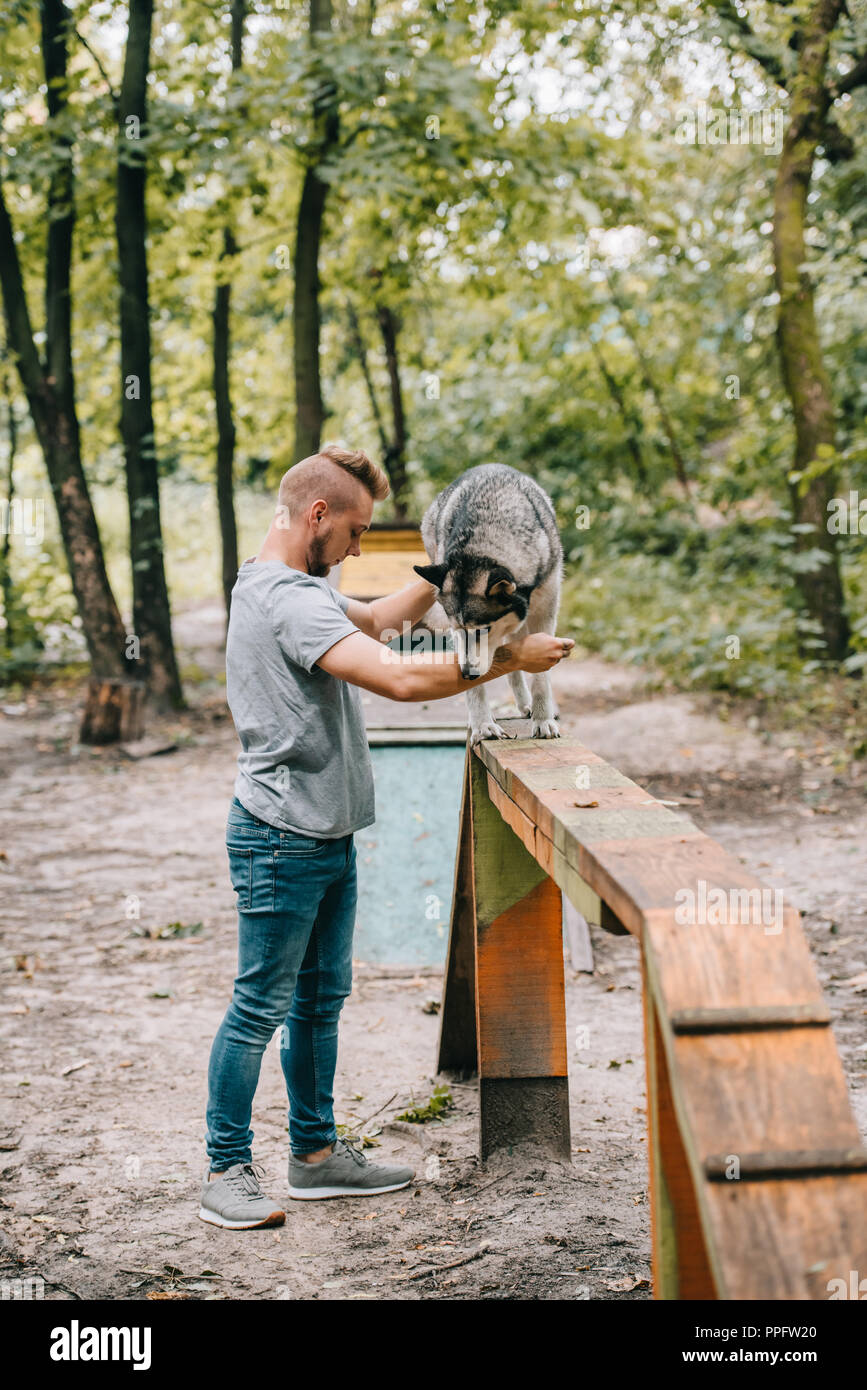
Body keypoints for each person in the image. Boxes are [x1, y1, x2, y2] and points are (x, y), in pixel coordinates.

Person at [199, 444, 575, 1229]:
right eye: (358, 532)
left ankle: (313, 1155)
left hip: (323, 830)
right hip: (280, 836)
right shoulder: (290, 602)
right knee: (258, 1007)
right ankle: (226, 1169)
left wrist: (457, 566)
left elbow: (375, 620)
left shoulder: (297, 584)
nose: (362, 549)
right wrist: (505, 656)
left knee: (318, 1002)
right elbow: (401, 678)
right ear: (317, 516)